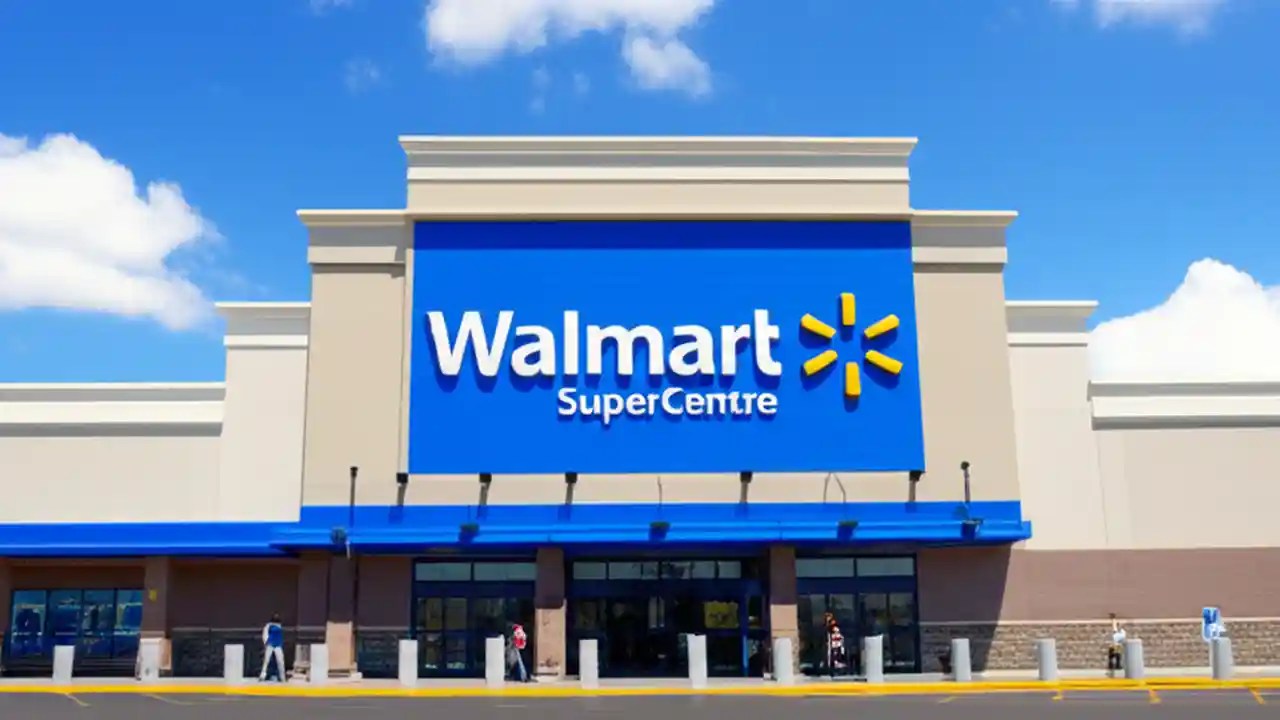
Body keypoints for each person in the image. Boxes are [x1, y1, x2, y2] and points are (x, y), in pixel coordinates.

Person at [259, 612, 286, 682]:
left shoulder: (280, 626)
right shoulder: (269, 625)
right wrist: (265, 643)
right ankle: (262, 675)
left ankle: (282, 677)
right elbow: (265, 634)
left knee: (280, 661)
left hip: (278, 645)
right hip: (270, 644)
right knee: (266, 660)